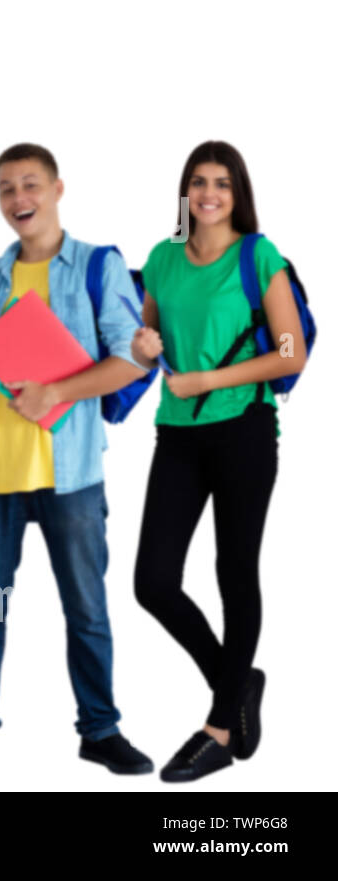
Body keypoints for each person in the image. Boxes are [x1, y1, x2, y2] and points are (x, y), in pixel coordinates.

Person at [0, 142, 153, 775]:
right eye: (6, 188)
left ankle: (101, 730)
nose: (18, 199)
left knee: (87, 608)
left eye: (29, 185)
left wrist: (60, 391)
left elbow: (133, 356)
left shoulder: (96, 266)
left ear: (56, 189)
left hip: (72, 475)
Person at [131, 141, 305, 784]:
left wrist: (210, 380)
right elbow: (147, 344)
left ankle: (220, 727)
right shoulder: (161, 259)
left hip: (245, 432)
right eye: (199, 182)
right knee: (153, 582)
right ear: (186, 192)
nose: (209, 194)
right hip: (178, 435)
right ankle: (238, 685)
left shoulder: (259, 256)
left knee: (235, 570)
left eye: (223, 184)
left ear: (238, 194)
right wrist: (141, 343)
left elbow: (291, 353)